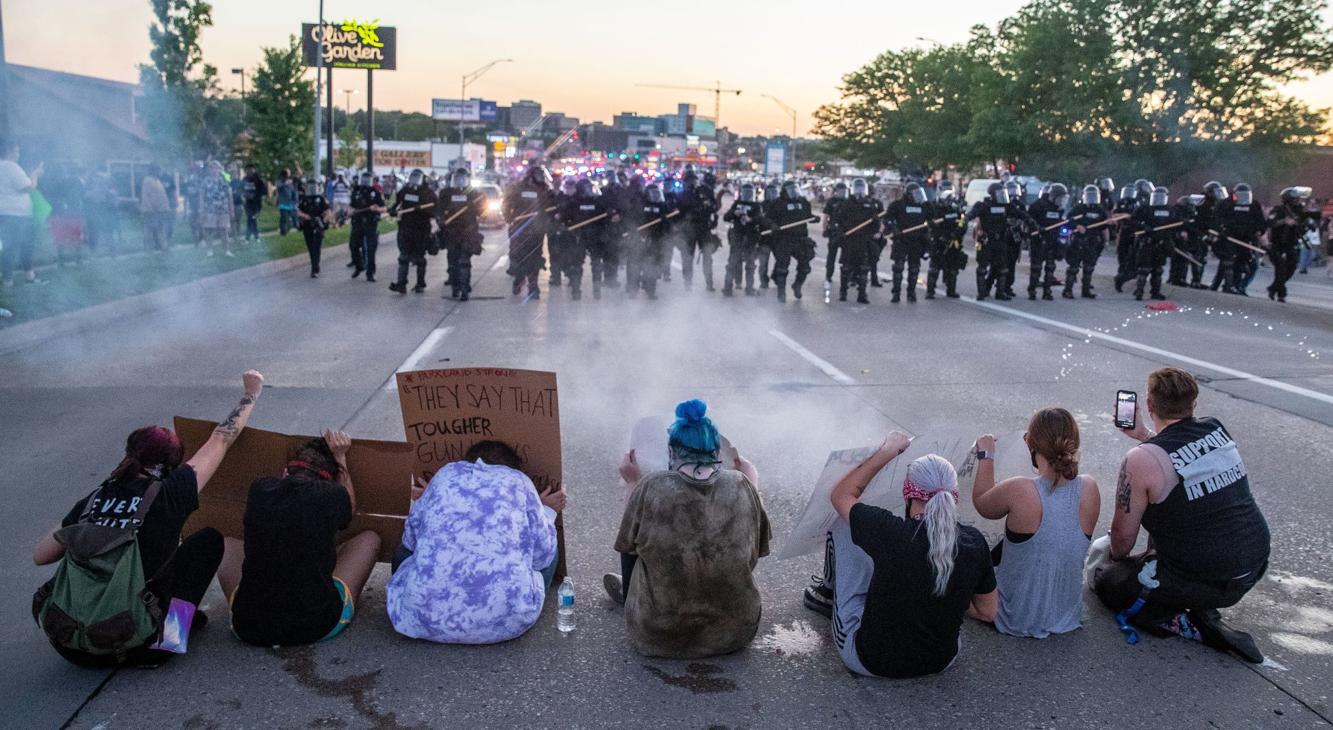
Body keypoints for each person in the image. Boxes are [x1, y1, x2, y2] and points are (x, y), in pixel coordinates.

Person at [33, 370, 265, 666]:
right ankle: (173, 634)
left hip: (72, 647)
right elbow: (221, 439)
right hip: (142, 645)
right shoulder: (170, 493)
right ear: (172, 463)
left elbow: (41, 556)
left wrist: (85, 516)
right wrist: (251, 393)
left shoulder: (94, 500)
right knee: (207, 542)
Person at [1093, 368, 1270, 663]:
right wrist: (1143, 436)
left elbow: (1122, 544)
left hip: (1208, 578)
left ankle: (1187, 623)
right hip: (1254, 565)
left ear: (1149, 405)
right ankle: (1194, 599)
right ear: (1194, 404)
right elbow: (1180, 462)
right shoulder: (1215, 429)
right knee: (1173, 507)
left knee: (1109, 582)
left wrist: (1118, 562)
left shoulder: (1140, 460)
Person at [813, 437, 996, 678]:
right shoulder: (974, 542)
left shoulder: (889, 531)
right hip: (941, 660)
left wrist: (886, 452)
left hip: (870, 661)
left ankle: (826, 594)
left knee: (843, 525)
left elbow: (841, 495)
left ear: (909, 495)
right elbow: (988, 612)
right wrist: (945, 596)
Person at [607, 400, 771, 658]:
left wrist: (632, 483)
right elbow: (757, 544)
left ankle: (632, 595)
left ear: (671, 452)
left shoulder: (652, 486)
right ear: (717, 452)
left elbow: (628, 541)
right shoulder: (742, 484)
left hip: (657, 636)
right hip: (736, 633)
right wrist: (753, 478)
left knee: (638, 544)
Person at [386, 441, 566, 644]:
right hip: (509, 622)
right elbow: (542, 556)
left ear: (467, 460)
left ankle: (421, 593)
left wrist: (429, 499)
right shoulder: (520, 481)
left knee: (405, 552)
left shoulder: (445, 475)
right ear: (511, 466)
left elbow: (410, 541)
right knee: (550, 544)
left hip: (419, 617)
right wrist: (546, 512)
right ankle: (517, 599)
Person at [218, 432, 380, 646]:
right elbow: (347, 512)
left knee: (225, 544)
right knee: (370, 539)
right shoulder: (331, 496)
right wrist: (341, 459)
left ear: (285, 472)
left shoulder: (260, 488)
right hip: (317, 626)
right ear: (329, 481)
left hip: (248, 627)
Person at [971, 410, 1100, 638]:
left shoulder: (1021, 489)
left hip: (1014, 616)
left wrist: (986, 456)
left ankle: (976, 608)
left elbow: (982, 503)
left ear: (1029, 441)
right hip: (1065, 615)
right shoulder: (1089, 488)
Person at [555, 178, 617, 300]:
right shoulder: (573, 203)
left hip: (595, 236)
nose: (590, 190)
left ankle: (597, 290)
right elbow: (563, 217)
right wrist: (562, 222)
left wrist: (610, 214)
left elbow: (607, 215)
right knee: (577, 264)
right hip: (579, 237)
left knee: (596, 264)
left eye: (590, 188)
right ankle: (576, 290)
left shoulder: (597, 201)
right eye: (587, 188)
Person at [504, 164, 556, 299]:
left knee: (535, 258)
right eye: (538, 176)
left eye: (541, 176)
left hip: (537, 229)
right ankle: (519, 280)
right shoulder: (519, 188)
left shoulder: (545, 190)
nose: (540, 178)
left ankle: (533, 287)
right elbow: (507, 204)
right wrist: (509, 218)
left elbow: (551, 208)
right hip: (520, 228)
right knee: (518, 257)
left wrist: (551, 219)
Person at [829, 178, 882, 303]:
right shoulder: (845, 204)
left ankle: (862, 295)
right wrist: (840, 231)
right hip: (849, 240)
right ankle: (843, 292)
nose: (859, 191)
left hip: (863, 240)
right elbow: (836, 221)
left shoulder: (869, 205)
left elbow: (875, 223)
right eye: (857, 189)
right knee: (846, 267)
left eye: (861, 189)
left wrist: (875, 229)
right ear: (852, 190)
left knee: (864, 268)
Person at [1121, 186, 1180, 301]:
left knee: (1157, 270)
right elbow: (1133, 221)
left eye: (1161, 197)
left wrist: (1181, 224)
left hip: (1161, 243)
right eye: (1156, 197)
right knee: (1144, 269)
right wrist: (1144, 227)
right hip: (1147, 242)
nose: (1158, 200)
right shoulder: (1145, 208)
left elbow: (1175, 223)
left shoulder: (1169, 210)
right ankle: (1139, 291)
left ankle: (1155, 292)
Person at [436, 169, 487, 301]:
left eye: (462, 178)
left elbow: (483, 212)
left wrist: (481, 208)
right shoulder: (446, 193)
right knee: (453, 260)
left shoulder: (474, 194)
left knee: (464, 261)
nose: (459, 181)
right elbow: (439, 210)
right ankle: (455, 286)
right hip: (451, 231)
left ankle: (464, 288)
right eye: (457, 178)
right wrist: (440, 219)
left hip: (468, 231)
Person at [0, 139, 43, 286]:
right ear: (9, 151)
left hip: (4, 213)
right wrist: (35, 174)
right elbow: (28, 187)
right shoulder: (11, 166)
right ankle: (29, 277)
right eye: (17, 151)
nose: (18, 154)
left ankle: (7, 281)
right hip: (18, 214)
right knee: (26, 245)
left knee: (8, 247)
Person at [766, 180, 817, 302]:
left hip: (800, 238)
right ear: (784, 192)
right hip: (784, 238)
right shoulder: (778, 203)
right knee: (782, 267)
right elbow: (767, 218)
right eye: (791, 190)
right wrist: (772, 225)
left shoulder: (803, 202)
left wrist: (814, 218)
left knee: (805, 266)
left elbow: (807, 216)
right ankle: (781, 292)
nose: (794, 193)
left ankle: (797, 285)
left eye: (795, 189)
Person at [388, 169, 437, 294]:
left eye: (417, 178)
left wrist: (421, 209)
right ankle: (401, 284)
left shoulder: (428, 193)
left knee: (419, 258)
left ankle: (420, 283)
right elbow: (396, 204)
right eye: (413, 177)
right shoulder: (405, 190)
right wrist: (392, 211)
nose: (415, 180)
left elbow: (435, 210)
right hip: (406, 228)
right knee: (403, 257)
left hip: (421, 230)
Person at [671, 172, 721, 291]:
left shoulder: (705, 192)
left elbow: (714, 208)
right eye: (689, 180)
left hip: (703, 228)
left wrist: (713, 219)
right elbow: (676, 214)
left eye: (693, 180)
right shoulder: (681, 195)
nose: (692, 183)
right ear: (685, 182)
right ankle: (688, 283)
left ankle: (709, 283)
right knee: (687, 257)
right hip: (688, 230)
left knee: (707, 256)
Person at [1265, 186, 1314, 302]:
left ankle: (1273, 288)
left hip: (1292, 242)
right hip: (1278, 243)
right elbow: (1270, 222)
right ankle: (1281, 293)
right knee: (1280, 268)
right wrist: (1283, 221)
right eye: (1295, 199)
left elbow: (1303, 224)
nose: (1297, 201)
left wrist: (1308, 224)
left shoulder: (1299, 211)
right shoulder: (1278, 210)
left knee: (1291, 267)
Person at [1218, 183, 1267, 296]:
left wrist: (1260, 231)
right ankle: (1229, 285)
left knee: (1247, 263)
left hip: (1247, 239)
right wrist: (1222, 230)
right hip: (1230, 238)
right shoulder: (1226, 204)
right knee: (1230, 261)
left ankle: (1240, 286)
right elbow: (1218, 218)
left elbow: (1260, 221)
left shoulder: (1254, 205)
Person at [627, 182, 674, 299]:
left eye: (657, 193)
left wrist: (665, 221)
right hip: (640, 240)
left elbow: (668, 225)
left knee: (652, 266)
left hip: (655, 240)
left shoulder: (662, 205)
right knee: (635, 266)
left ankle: (650, 290)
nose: (655, 196)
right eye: (652, 194)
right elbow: (632, 220)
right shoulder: (640, 204)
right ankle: (633, 289)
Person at [1063, 185, 1111, 299]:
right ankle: (1067, 290)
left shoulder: (1100, 210)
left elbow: (1104, 226)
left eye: (1094, 196)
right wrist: (1077, 226)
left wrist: (1107, 240)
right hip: (1079, 241)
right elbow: (1068, 222)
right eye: (1090, 196)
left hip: (1092, 242)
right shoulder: (1079, 208)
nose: (1092, 198)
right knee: (1074, 267)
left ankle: (1086, 291)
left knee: (1089, 267)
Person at [1025, 183, 1069, 301]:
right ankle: (1032, 290)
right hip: (1039, 240)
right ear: (1053, 196)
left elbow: (1060, 223)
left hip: (1052, 241)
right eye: (1060, 198)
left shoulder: (1058, 209)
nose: (1061, 201)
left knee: (1050, 267)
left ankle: (1047, 291)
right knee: (1036, 268)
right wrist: (1037, 229)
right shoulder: (1038, 206)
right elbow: (1028, 220)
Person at [721, 182, 765, 297]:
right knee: (732, 263)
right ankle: (727, 287)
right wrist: (734, 213)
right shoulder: (737, 204)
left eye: (750, 193)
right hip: (737, 237)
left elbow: (760, 218)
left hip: (750, 238)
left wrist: (750, 219)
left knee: (750, 265)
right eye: (745, 192)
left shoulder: (756, 206)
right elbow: (726, 217)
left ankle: (749, 288)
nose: (748, 195)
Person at [926, 181, 966, 299]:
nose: (950, 202)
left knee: (953, 268)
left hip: (953, 241)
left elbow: (963, 223)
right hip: (939, 240)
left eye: (951, 199)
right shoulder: (934, 207)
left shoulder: (957, 209)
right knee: (934, 268)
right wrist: (938, 234)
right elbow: (929, 223)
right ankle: (930, 291)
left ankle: (951, 290)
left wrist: (956, 233)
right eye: (948, 199)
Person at [348, 171, 386, 281]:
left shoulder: (376, 192)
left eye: (367, 179)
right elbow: (351, 205)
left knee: (371, 249)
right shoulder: (356, 191)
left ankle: (370, 273)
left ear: (372, 181)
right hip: (357, 222)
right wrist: (349, 211)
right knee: (353, 246)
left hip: (370, 223)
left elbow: (384, 208)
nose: (365, 182)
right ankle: (359, 266)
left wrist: (377, 209)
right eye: (363, 179)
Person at [296, 177, 333, 278]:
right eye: (310, 186)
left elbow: (328, 211)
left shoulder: (321, 198)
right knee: (310, 248)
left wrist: (323, 220)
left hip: (318, 226)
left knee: (316, 247)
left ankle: (314, 269)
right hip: (307, 226)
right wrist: (305, 216)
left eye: (314, 186)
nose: (312, 188)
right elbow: (297, 211)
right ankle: (315, 266)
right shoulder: (303, 199)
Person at [199, 161, 234, 258]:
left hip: (223, 209)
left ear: (220, 169)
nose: (214, 170)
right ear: (209, 170)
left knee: (224, 231)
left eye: (216, 168)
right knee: (209, 231)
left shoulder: (224, 180)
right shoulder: (205, 181)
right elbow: (201, 196)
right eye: (212, 168)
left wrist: (231, 210)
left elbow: (229, 195)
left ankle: (227, 250)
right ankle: (210, 250)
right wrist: (201, 210)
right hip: (210, 209)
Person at [140, 166, 174, 252]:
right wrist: (150, 208)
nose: (161, 172)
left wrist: (166, 208)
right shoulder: (147, 180)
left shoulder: (157, 181)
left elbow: (162, 196)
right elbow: (146, 196)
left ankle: (163, 246)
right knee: (149, 229)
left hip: (161, 210)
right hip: (151, 210)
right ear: (154, 171)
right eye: (159, 170)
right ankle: (148, 248)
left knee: (160, 228)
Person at [823, 181, 850, 284]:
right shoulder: (831, 201)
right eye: (840, 191)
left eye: (844, 191)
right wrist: (825, 229)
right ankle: (828, 275)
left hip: (846, 231)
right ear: (836, 191)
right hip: (834, 231)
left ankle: (847, 277)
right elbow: (826, 216)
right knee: (831, 255)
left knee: (847, 256)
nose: (842, 193)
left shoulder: (849, 202)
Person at [241, 164, 266, 242]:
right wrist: (245, 195)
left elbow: (264, 191)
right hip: (248, 203)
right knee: (251, 219)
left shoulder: (258, 180)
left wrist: (255, 195)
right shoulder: (244, 180)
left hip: (256, 203)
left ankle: (249, 237)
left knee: (252, 219)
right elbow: (240, 190)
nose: (250, 171)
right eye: (248, 169)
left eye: (251, 169)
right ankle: (255, 237)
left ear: (254, 170)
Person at [276, 170, 298, 237]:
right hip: (283, 204)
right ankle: (283, 232)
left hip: (290, 204)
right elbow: (279, 186)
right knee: (284, 218)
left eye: (287, 176)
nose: (285, 177)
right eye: (284, 176)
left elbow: (293, 191)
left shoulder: (290, 183)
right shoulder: (280, 182)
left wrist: (295, 200)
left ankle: (286, 229)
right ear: (282, 176)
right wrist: (285, 183)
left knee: (288, 218)